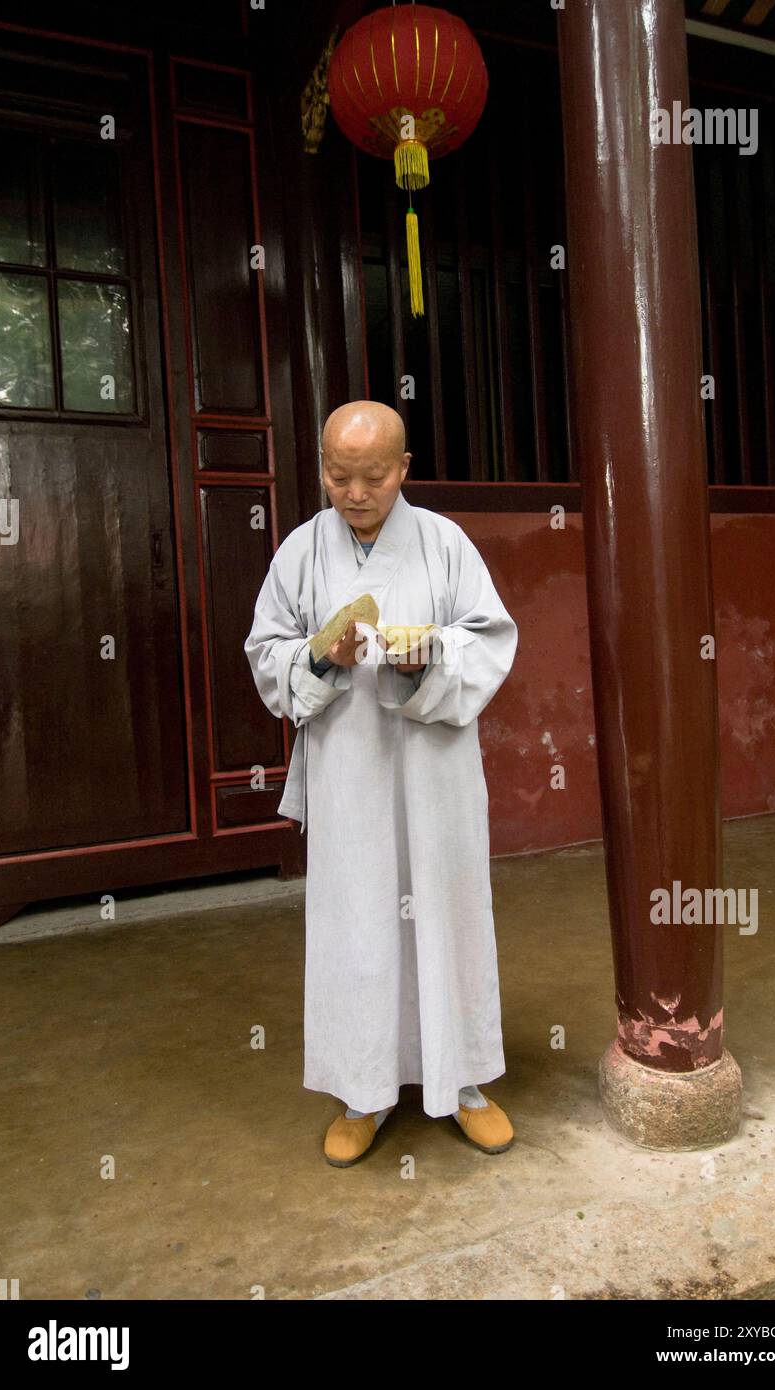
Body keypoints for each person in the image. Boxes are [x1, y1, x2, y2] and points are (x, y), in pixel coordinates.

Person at [245, 401, 518, 1166]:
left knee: (447, 911)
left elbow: (490, 637)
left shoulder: (444, 543)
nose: (354, 492)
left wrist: (424, 655)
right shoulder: (301, 551)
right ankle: (362, 1090)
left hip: (434, 769)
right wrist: (321, 656)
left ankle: (462, 1082)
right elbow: (265, 651)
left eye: (371, 476)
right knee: (356, 921)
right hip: (348, 766)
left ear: (402, 469)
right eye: (338, 475)